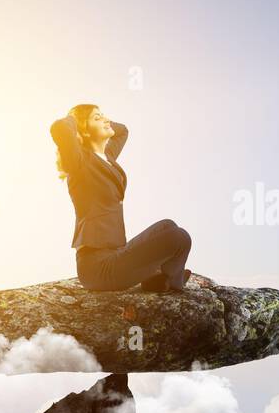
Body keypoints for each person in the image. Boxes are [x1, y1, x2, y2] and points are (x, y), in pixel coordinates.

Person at [50, 104, 192, 291]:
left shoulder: (106, 156)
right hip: (98, 268)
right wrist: (77, 121)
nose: (106, 120)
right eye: (97, 118)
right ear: (83, 129)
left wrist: (98, 121)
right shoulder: (78, 162)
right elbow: (59, 128)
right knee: (179, 237)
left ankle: (159, 279)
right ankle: (172, 279)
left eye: (104, 116)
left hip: (116, 254)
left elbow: (122, 131)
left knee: (168, 225)